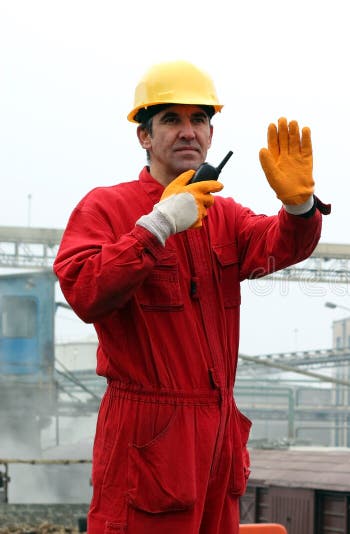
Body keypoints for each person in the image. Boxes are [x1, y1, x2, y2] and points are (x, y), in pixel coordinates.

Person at [53, 60, 329, 533]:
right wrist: (156, 226)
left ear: (210, 133)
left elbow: (281, 245)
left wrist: (299, 206)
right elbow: (84, 290)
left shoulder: (222, 215)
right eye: (171, 120)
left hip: (217, 439)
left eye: (198, 119)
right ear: (144, 136)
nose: (188, 132)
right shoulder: (107, 208)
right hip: (147, 437)